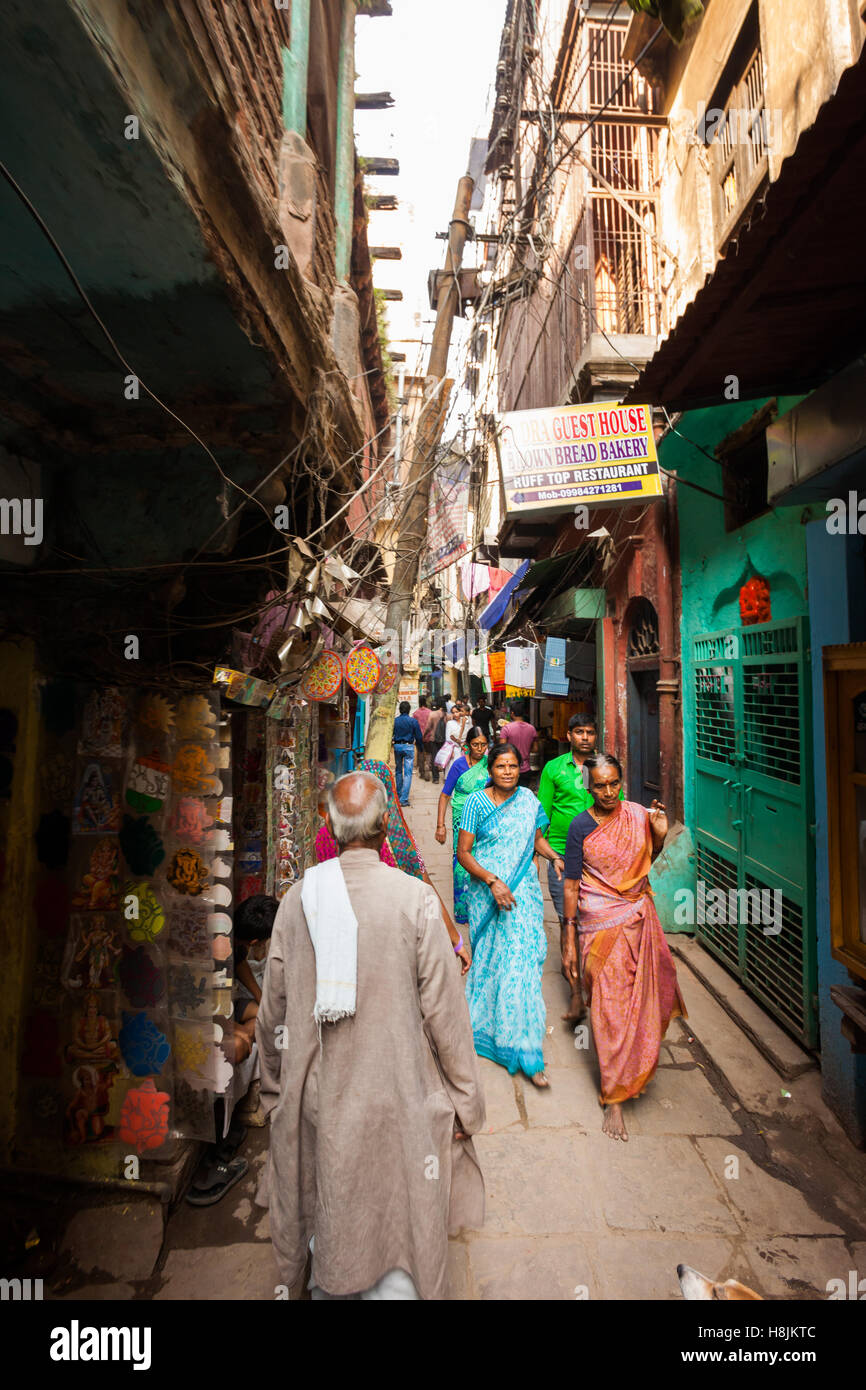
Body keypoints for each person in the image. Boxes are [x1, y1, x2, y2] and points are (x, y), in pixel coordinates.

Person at [256, 770, 485, 1299]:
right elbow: (446, 1019)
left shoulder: (298, 901)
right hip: (399, 1095)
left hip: (320, 1099)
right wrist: (465, 1104)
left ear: (332, 831)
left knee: (329, 1212)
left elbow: (273, 1015)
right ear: (386, 827)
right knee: (400, 1222)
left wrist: (275, 1093)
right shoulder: (415, 900)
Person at [560, 753, 686, 1143]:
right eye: (600, 785)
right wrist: (567, 937)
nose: (609, 791)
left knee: (644, 993)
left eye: (614, 782)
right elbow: (570, 883)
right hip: (597, 920)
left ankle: (636, 1060)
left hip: (637, 914)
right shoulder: (580, 827)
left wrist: (660, 833)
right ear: (588, 786)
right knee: (610, 1004)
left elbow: (646, 861)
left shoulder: (638, 814)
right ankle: (613, 1094)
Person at [457, 744, 564, 1088]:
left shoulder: (529, 802)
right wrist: (492, 881)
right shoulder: (476, 803)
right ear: (490, 769)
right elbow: (464, 853)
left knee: (522, 966)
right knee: (492, 962)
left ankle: (527, 1050)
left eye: (513, 766)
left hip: (523, 898)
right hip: (487, 896)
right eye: (501, 766)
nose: (507, 771)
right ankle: (488, 1031)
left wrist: (554, 857)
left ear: (521, 768)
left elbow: (537, 841)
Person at [537, 713, 622, 1025]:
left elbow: (617, 812)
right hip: (562, 856)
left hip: (598, 859)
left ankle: (596, 981)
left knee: (596, 919)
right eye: (579, 732)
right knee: (567, 920)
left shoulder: (604, 770)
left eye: (590, 732)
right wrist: (539, 854)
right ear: (569, 735)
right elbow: (541, 815)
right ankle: (575, 991)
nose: (585, 737)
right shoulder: (554, 769)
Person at [356, 756, 471, 973]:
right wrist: (455, 940)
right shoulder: (399, 839)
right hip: (394, 938)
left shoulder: (331, 835)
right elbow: (426, 888)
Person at [435, 727, 489, 926]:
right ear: (467, 746)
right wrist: (440, 825)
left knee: (482, 861)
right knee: (461, 864)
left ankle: (481, 908)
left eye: (483, 745)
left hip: (484, 820)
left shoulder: (490, 765)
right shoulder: (458, 765)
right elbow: (445, 795)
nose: (480, 749)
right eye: (476, 745)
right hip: (462, 819)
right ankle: (462, 910)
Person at [499, 699, 538, 789]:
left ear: (512, 713)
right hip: (525, 768)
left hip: (509, 768)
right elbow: (535, 749)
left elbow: (502, 749)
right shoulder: (531, 728)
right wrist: (526, 748)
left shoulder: (506, 728)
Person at [392, 700, 423, 807]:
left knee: (398, 771)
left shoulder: (395, 721)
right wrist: (421, 748)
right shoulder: (413, 721)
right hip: (409, 747)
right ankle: (404, 799)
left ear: (400, 710)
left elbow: (391, 734)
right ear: (409, 710)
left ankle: (398, 795)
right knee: (408, 773)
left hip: (397, 746)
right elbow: (419, 736)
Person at [425, 697, 447, 785]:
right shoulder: (447, 715)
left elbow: (428, 727)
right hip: (444, 739)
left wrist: (424, 735)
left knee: (434, 757)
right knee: (445, 758)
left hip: (433, 739)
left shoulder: (432, 714)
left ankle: (436, 778)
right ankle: (446, 777)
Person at [413, 696, 433, 781]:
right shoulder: (430, 712)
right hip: (428, 737)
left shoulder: (415, 713)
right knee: (428, 753)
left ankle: (421, 772)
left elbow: (414, 726)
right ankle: (427, 766)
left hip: (419, 737)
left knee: (420, 754)